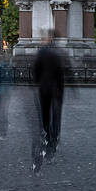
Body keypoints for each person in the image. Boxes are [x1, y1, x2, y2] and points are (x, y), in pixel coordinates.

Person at [33, 33, 66, 169]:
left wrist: (38, 82)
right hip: (56, 91)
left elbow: (35, 70)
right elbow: (62, 74)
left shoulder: (41, 53)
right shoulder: (58, 54)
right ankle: (53, 140)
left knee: (45, 116)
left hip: (44, 89)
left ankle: (47, 136)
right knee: (56, 117)